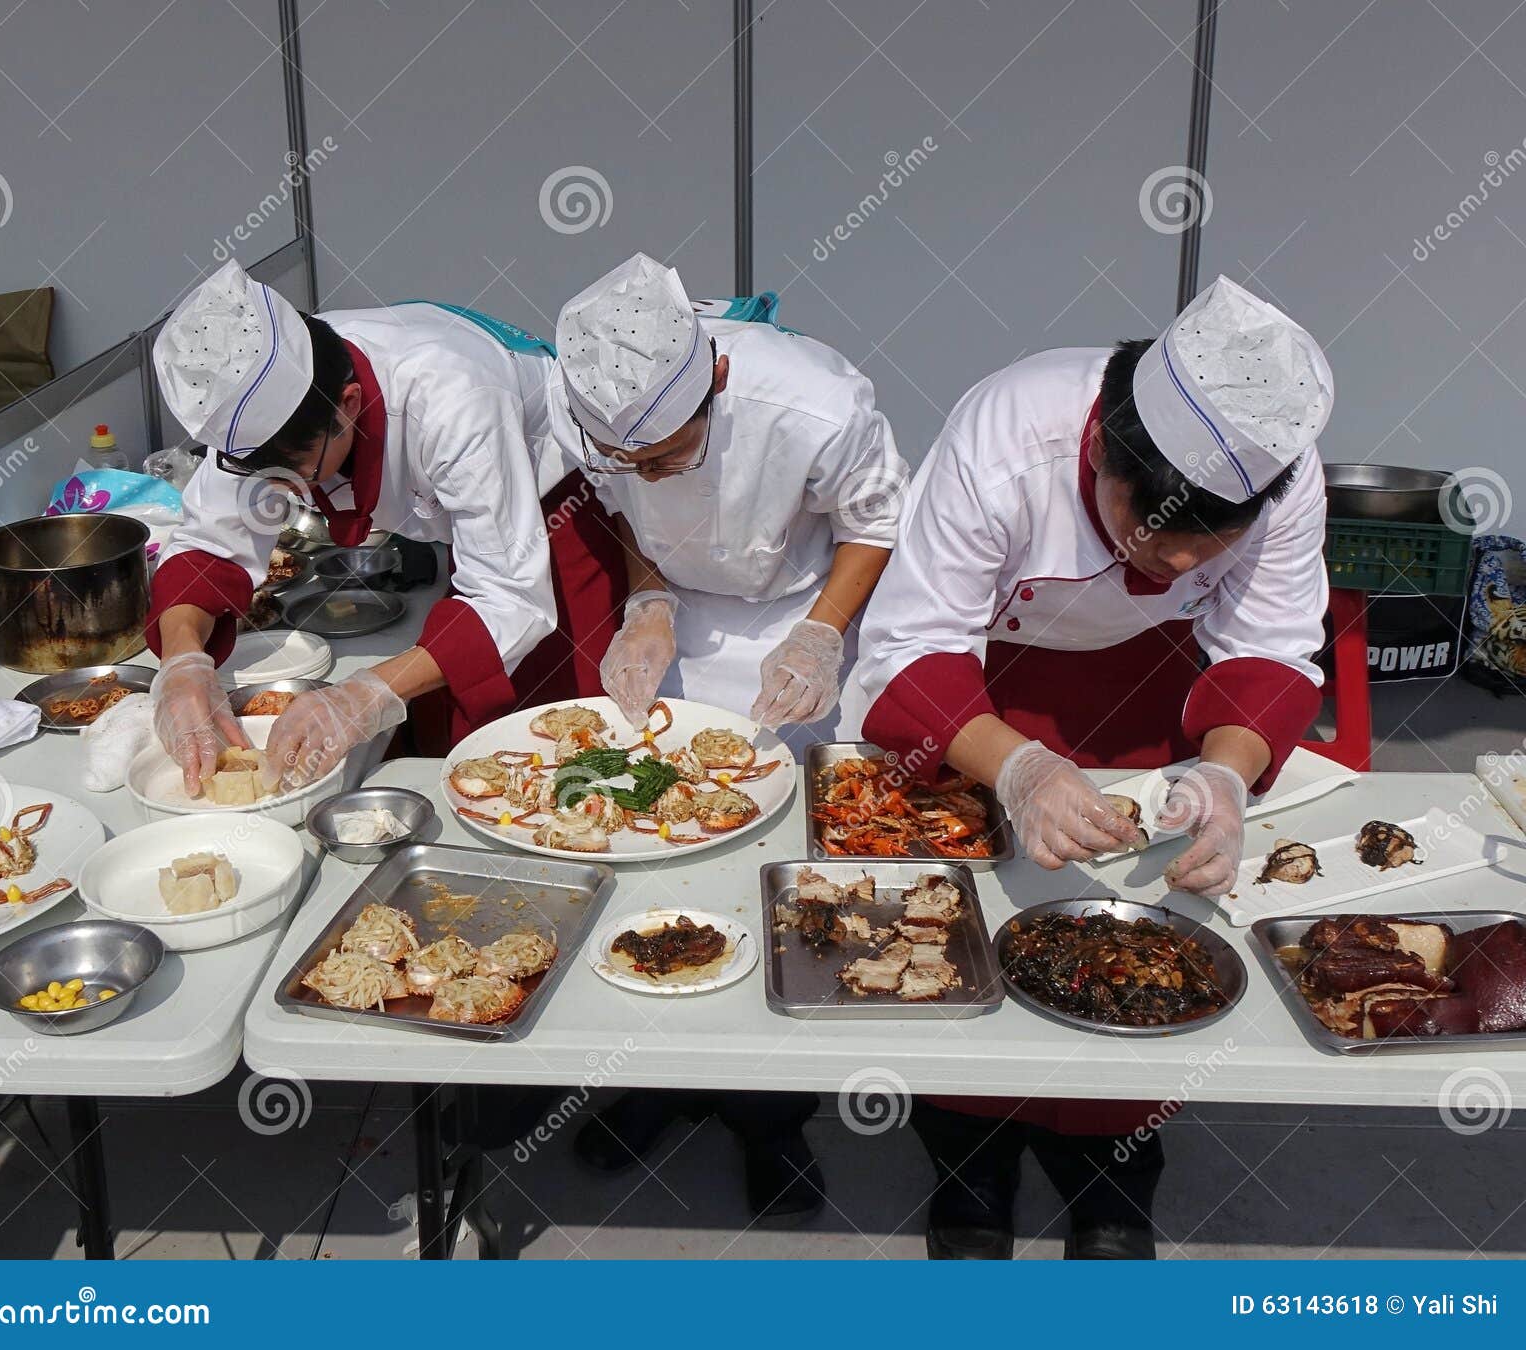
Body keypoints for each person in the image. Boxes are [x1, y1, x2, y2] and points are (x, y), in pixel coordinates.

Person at [856, 276, 1334, 1259]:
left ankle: (1113, 1171)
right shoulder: (1008, 429)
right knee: (967, 929)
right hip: (987, 687)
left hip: (1156, 687)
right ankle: (967, 1161)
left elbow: (1271, 651)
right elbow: (911, 644)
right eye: (1143, 536)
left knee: (1130, 936)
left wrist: (1226, 779)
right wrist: (1020, 770)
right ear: (1101, 453)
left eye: (1204, 554)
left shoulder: (1281, 473)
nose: (1164, 568)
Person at [549, 252, 908, 1221]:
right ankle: (656, 1079)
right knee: (654, 854)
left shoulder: (816, 402)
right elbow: (620, 506)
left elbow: (875, 521)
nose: (652, 474)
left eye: (671, 455)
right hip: (682, 627)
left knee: (771, 870)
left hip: (797, 617)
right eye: (634, 458)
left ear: (713, 377)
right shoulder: (578, 398)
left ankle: (770, 1115)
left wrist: (822, 635)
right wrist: (649, 598)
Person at [144, 261, 618, 790]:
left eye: (298, 476)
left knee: (549, 733)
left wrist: (361, 695)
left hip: (552, 502)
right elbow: (208, 544)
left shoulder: (452, 397)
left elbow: (510, 598)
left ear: (348, 406)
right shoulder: (265, 393)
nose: (279, 497)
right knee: (441, 724)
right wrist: (184, 660)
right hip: (455, 505)